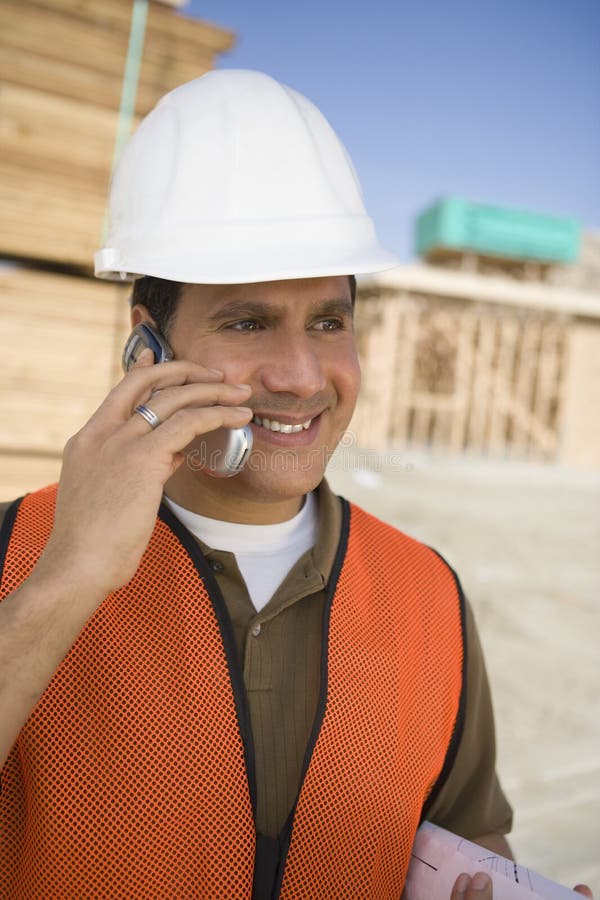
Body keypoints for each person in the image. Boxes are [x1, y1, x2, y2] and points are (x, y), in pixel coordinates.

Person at [0, 71, 592, 900]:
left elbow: (470, 835)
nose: (302, 376)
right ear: (147, 349)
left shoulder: (426, 594)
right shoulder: (16, 553)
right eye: (248, 323)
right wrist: (67, 580)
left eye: (327, 322)